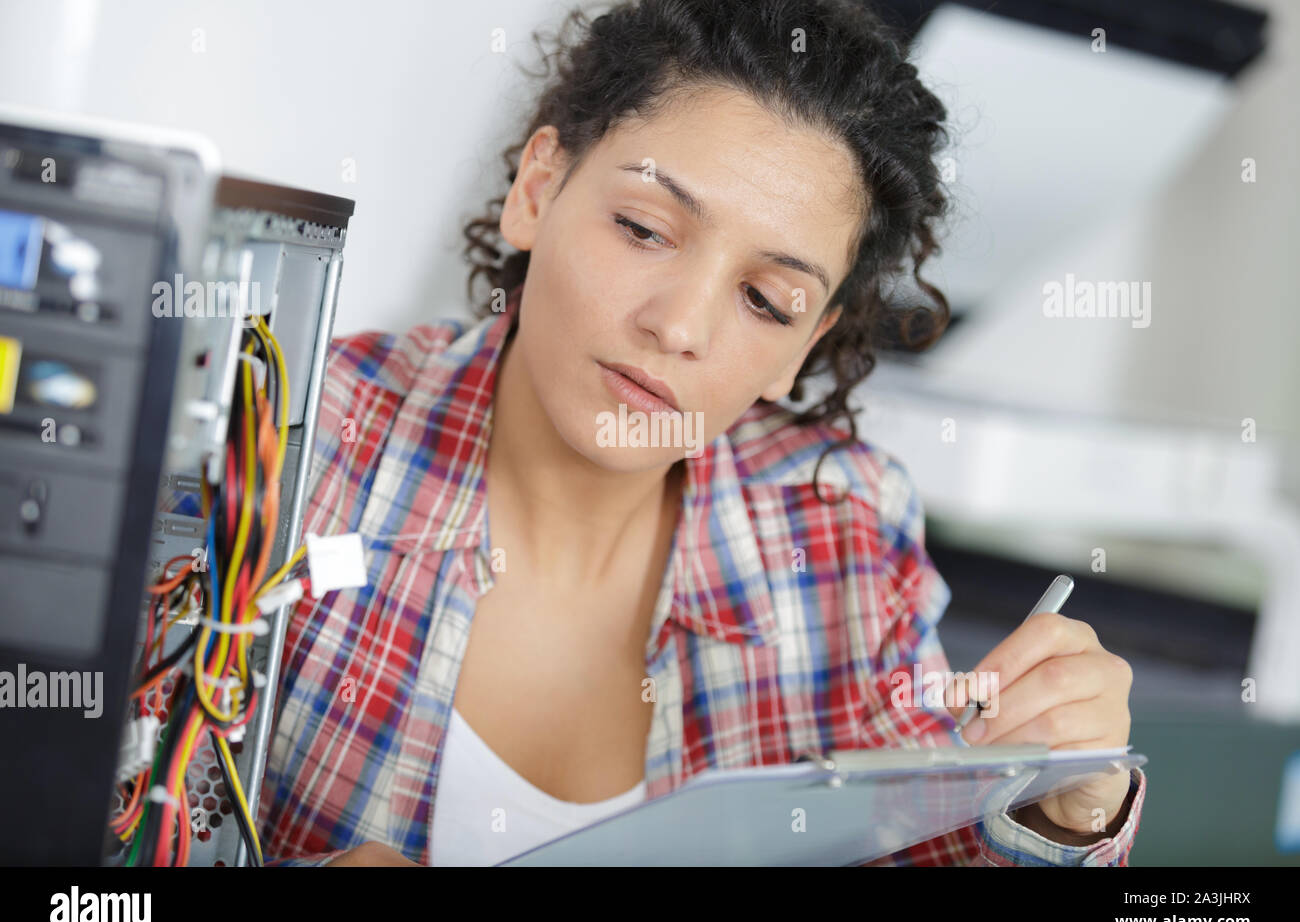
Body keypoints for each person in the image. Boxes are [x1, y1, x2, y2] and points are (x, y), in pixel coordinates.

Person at [258, 0, 1145, 866]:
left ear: (806, 345)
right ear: (537, 191)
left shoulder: (842, 527)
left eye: (765, 300)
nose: (680, 326)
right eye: (644, 229)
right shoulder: (288, 444)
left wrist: (1061, 818)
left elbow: (922, 848)